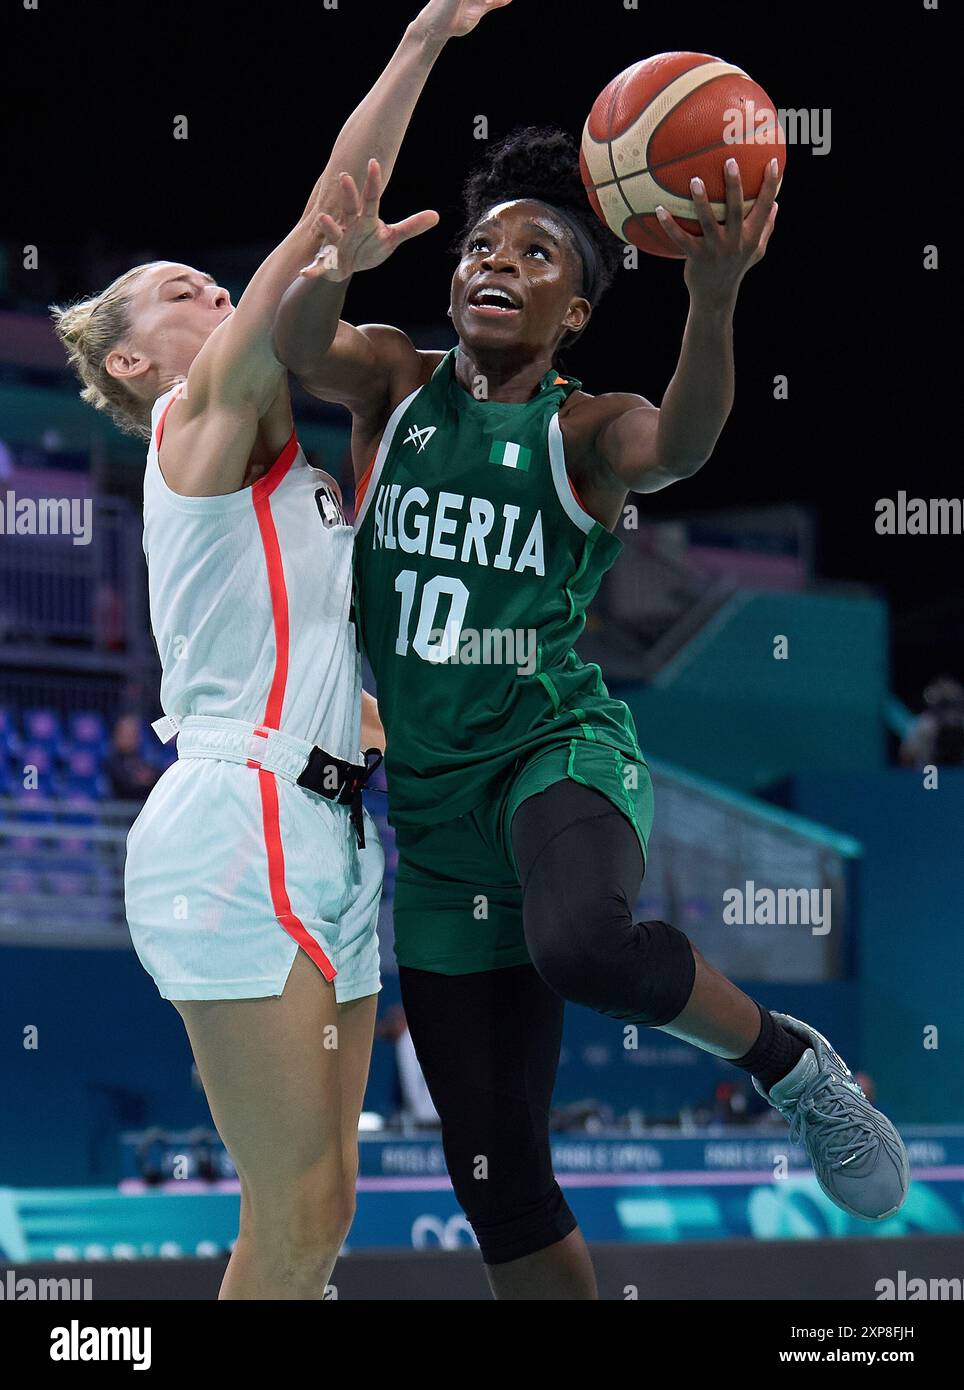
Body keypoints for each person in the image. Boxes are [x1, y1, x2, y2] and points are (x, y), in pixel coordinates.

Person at [272, 109, 910, 1299]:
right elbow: (304, 346)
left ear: (573, 311)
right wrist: (329, 258)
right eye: (479, 248)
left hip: (554, 756)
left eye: (533, 255)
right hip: (439, 815)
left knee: (580, 944)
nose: (494, 263)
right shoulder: (395, 387)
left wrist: (712, 301)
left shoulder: (583, 427)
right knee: (499, 1186)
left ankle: (793, 1068)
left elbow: (680, 442)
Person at [50, 0, 509, 1300]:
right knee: (290, 1206)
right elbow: (323, 215)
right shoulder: (196, 421)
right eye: (185, 294)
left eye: (213, 282)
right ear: (137, 358)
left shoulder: (294, 474)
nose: (214, 292)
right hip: (234, 826)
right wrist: (424, 41)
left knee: (326, 1208)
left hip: (337, 829)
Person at [104, 713, 158, 801]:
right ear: (117, 735)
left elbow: (155, 775)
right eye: (127, 734)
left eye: (134, 734)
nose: (131, 738)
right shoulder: (109, 761)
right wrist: (137, 780)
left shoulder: (144, 757)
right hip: (116, 810)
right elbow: (118, 785)